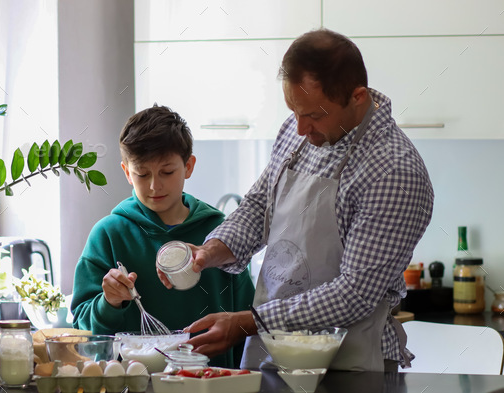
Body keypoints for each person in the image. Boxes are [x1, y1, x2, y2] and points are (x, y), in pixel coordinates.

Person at [158, 29, 434, 372]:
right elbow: (260, 207)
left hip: (348, 365)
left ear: (358, 97)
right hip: (272, 349)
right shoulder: (298, 130)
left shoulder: (394, 171)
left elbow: (355, 294)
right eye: (293, 110)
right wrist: (209, 251)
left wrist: (247, 322)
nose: (300, 127)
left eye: (315, 116)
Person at [70, 104, 255, 368]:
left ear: (188, 166)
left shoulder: (219, 234)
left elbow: (247, 322)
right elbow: (83, 335)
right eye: (142, 174)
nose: (155, 186)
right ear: (126, 172)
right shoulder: (108, 235)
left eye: (167, 172)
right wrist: (108, 302)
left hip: (210, 383)